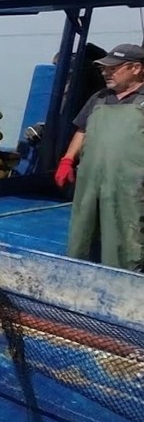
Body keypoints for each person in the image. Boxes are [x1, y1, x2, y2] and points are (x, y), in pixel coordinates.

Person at [55, 42, 144, 271]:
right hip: (91, 179)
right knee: (82, 229)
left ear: (136, 68)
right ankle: (76, 273)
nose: (106, 73)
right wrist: (67, 161)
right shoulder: (99, 98)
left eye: (113, 68)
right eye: (104, 68)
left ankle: (125, 283)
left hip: (130, 184)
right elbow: (82, 130)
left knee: (126, 232)